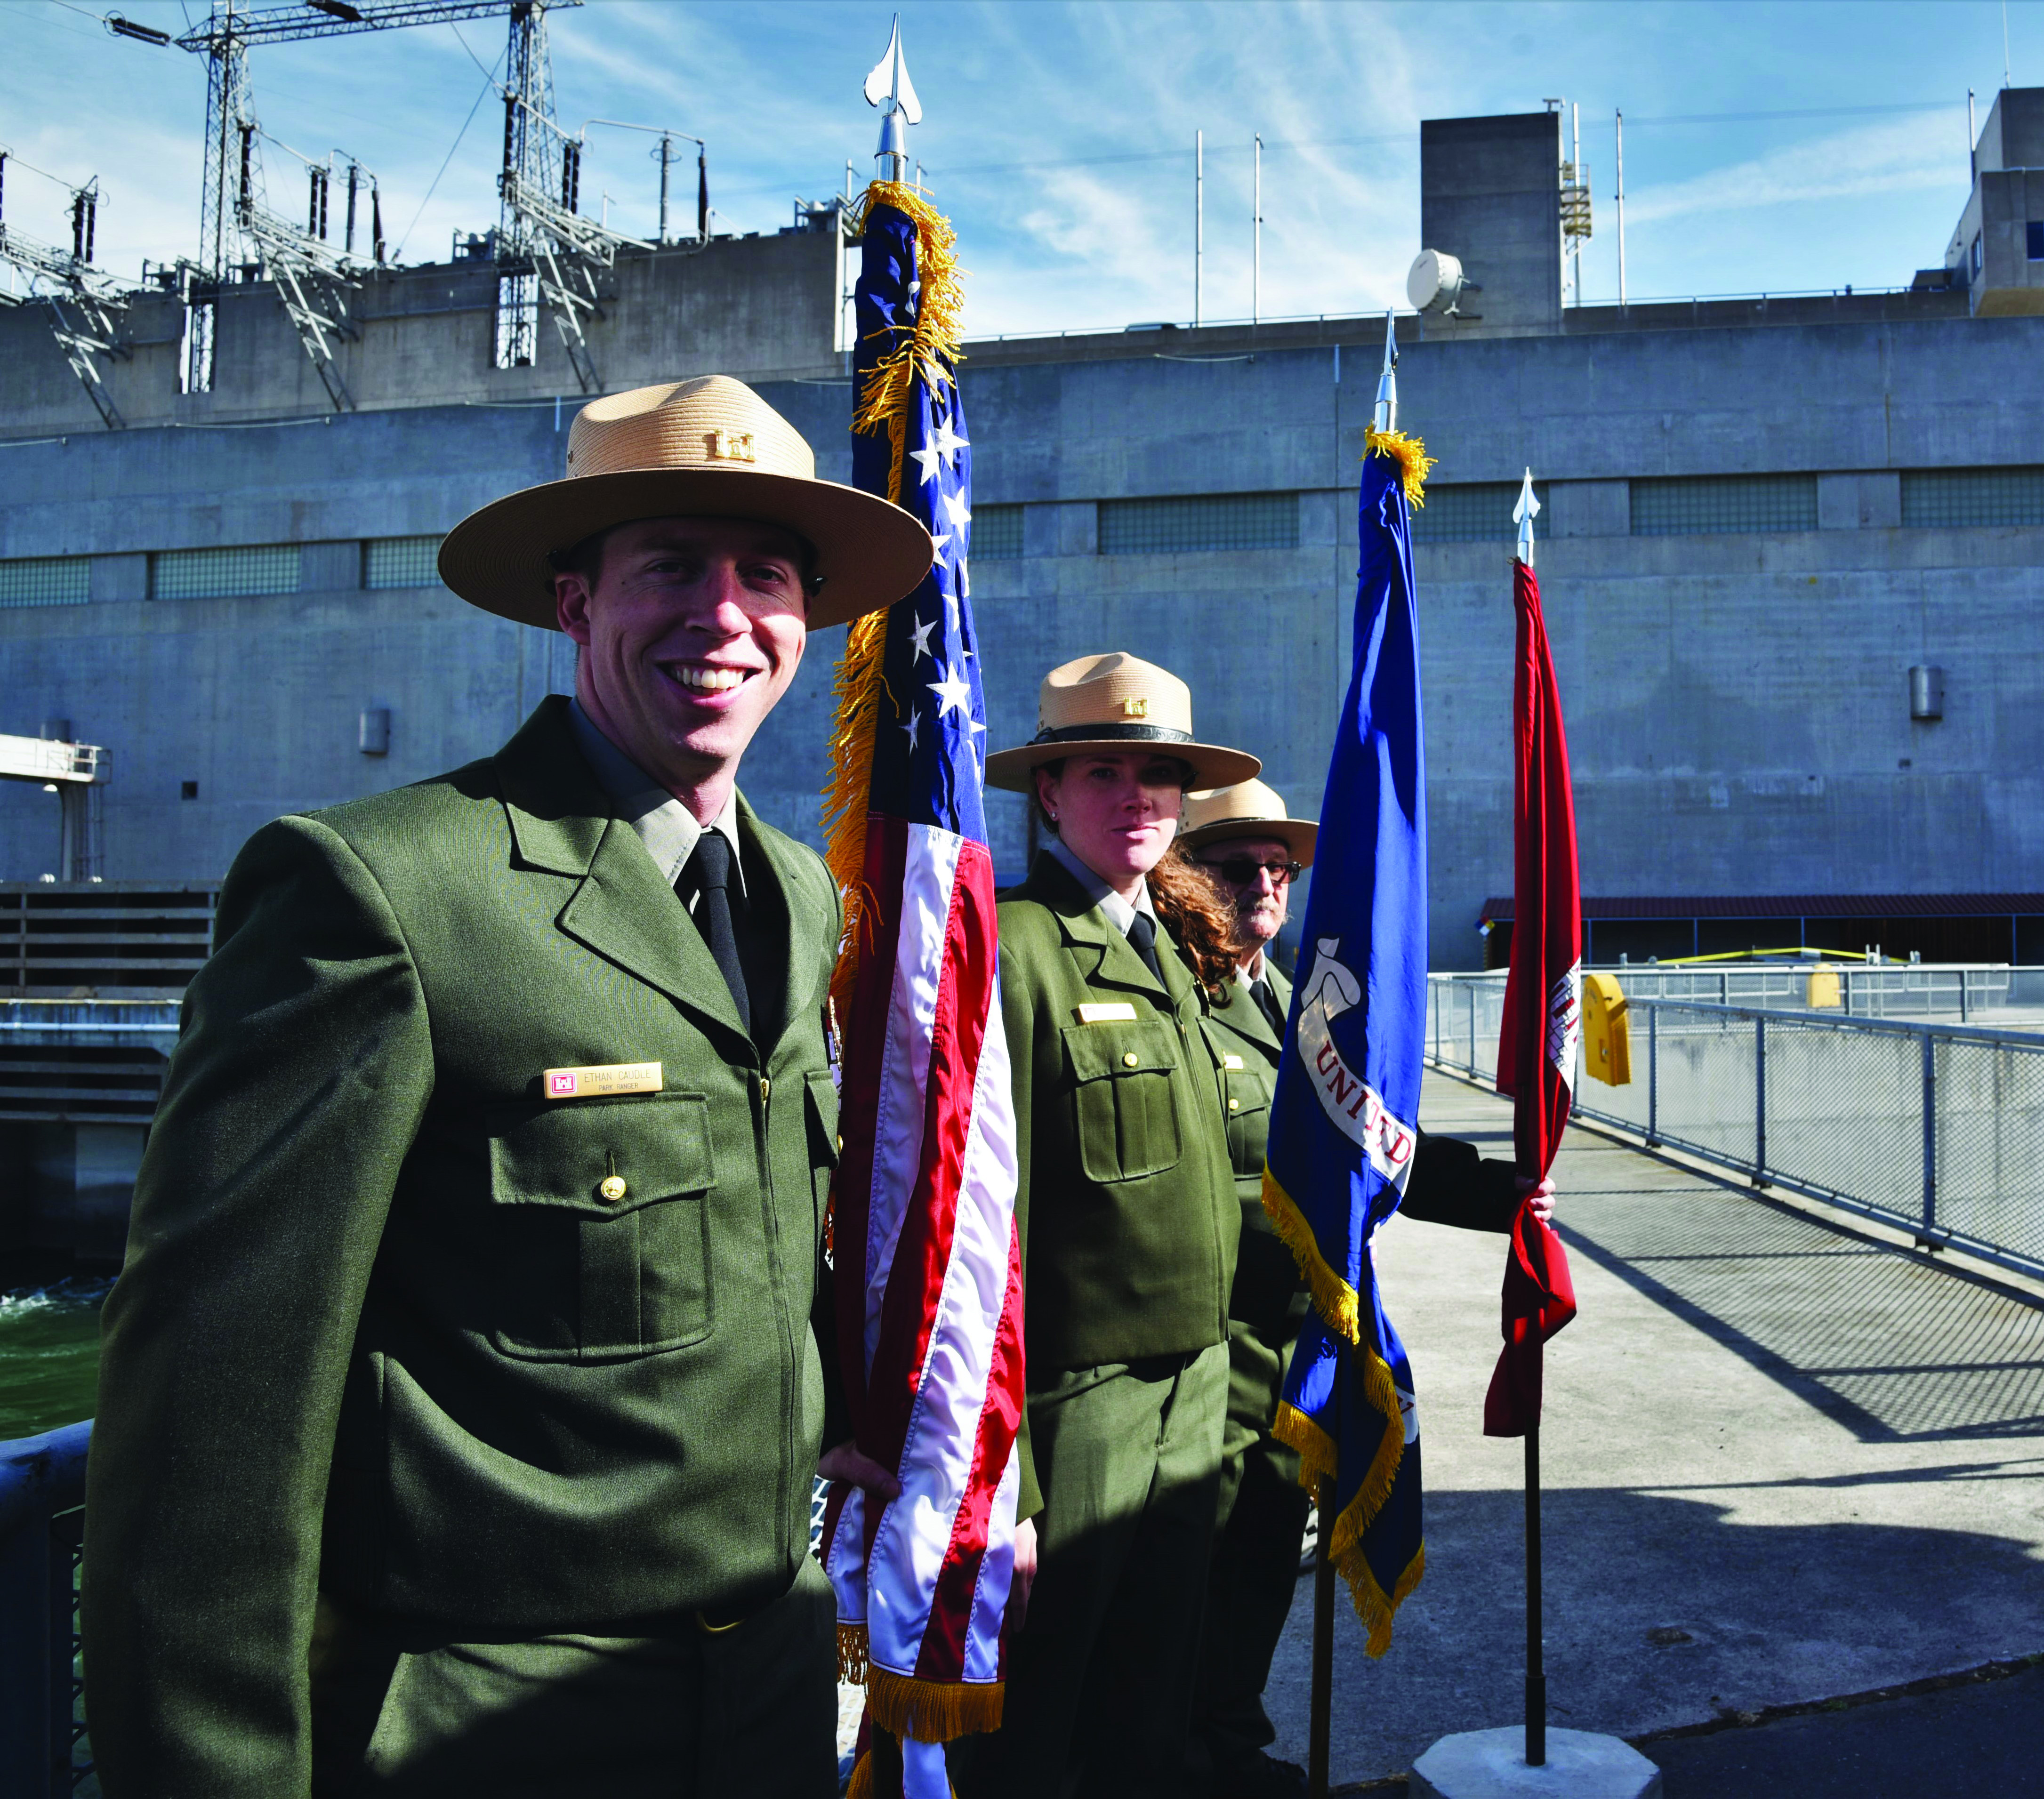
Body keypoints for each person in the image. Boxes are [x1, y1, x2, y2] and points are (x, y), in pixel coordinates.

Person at [82, 376, 934, 1798]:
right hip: (495, 1723)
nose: (724, 612)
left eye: (766, 574)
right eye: (670, 565)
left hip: (767, 1695)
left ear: (806, 621)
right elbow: (208, 1431)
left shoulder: (793, 889)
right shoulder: (388, 890)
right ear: (572, 602)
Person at [1176, 779, 1554, 1799]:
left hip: (1291, 1351)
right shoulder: (1180, 993)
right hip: (1205, 1353)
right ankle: (1185, 1758)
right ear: (1187, 875)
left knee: (1259, 1562)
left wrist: (1503, 1193)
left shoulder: (1287, 995)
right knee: (1187, 1584)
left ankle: (1229, 1745)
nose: (1261, 884)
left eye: (1276, 869)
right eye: (1233, 866)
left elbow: (1362, 1154)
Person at [950, 652, 1260, 1797]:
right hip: (1076, 1413)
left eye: (1160, 775)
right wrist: (1008, 1485)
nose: (1138, 797)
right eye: (1103, 770)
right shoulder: (1017, 946)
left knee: (1149, 1710)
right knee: (1038, 1723)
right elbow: (987, 1225)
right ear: (1050, 791)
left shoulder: (1172, 957)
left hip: (1196, 1393)